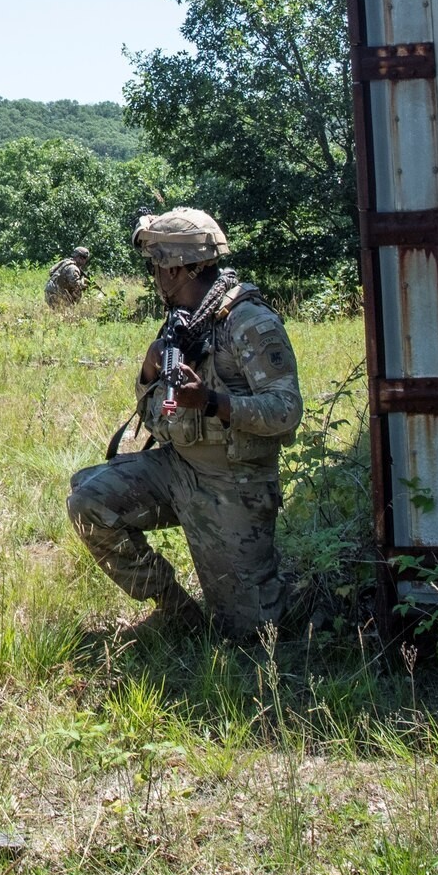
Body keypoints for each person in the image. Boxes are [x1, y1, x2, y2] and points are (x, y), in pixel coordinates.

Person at [65, 208, 303, 642]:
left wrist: (212, 402)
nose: (154, 275)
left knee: (252, 635)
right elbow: (158, 411)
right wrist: (148, 370)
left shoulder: (247, 321)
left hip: (232, 484)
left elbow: (286, 409)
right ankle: (175, 610)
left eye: (158, 265)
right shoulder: (183, 321)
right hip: (178, 469)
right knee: (89, 501)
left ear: (178, 268)